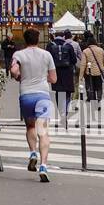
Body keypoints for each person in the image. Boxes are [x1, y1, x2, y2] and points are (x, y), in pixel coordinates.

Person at [10, 27, 57, 182]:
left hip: (26, 95)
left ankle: (32, 153)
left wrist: (19, 76)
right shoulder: (47, 55)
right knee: (43, 131)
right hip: (42, 95)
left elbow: (14, 71)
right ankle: (43, 166)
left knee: (30, 126)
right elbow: (53, 78)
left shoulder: (19, 54)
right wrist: (43, 77)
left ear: (25, 40)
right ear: (38, 39)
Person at [49, 30, 79, 126]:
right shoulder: (68, 46)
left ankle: (61, 111)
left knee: (58, 93)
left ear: (55, 36)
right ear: (64, 37)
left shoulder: (50, 46)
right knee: (67, 93)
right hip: (67, 73)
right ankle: (65, 112)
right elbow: (74, 60)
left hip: (55, 72)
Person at [80, 33, 104, 102]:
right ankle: (99, 98)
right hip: (99, 71)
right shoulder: (101, 50)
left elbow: (83, 64)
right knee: (99, 86)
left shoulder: (85, 51)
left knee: (90, 86)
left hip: (88, 72)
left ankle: (91, 97)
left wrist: (81, 75)